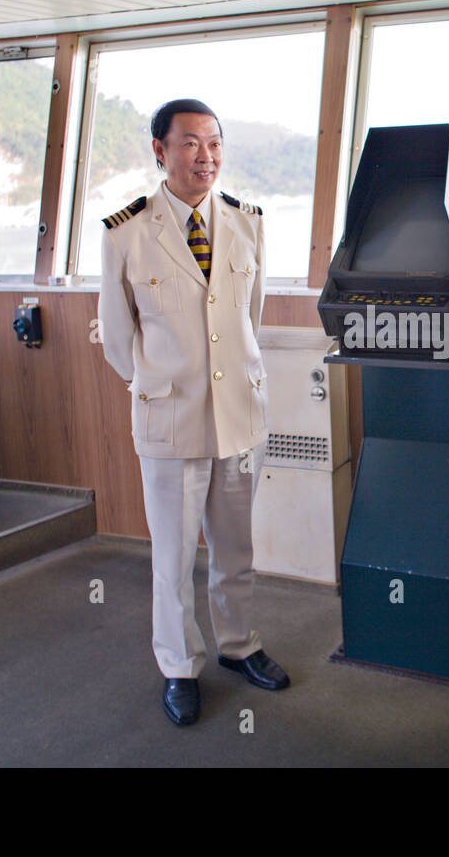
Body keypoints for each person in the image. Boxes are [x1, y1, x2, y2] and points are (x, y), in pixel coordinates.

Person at [98, 98, 289, 727]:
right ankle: (179, 665)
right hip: (170, 418)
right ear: (160, 150)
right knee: (173, 556)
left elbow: (247, 320)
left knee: (236, 546)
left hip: (238, 412)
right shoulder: (126, 232)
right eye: (189, 143)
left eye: (214, 143)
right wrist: (160, 383)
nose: (204, 156)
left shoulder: (247, 223)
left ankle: (239, 645)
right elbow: (119, 337)